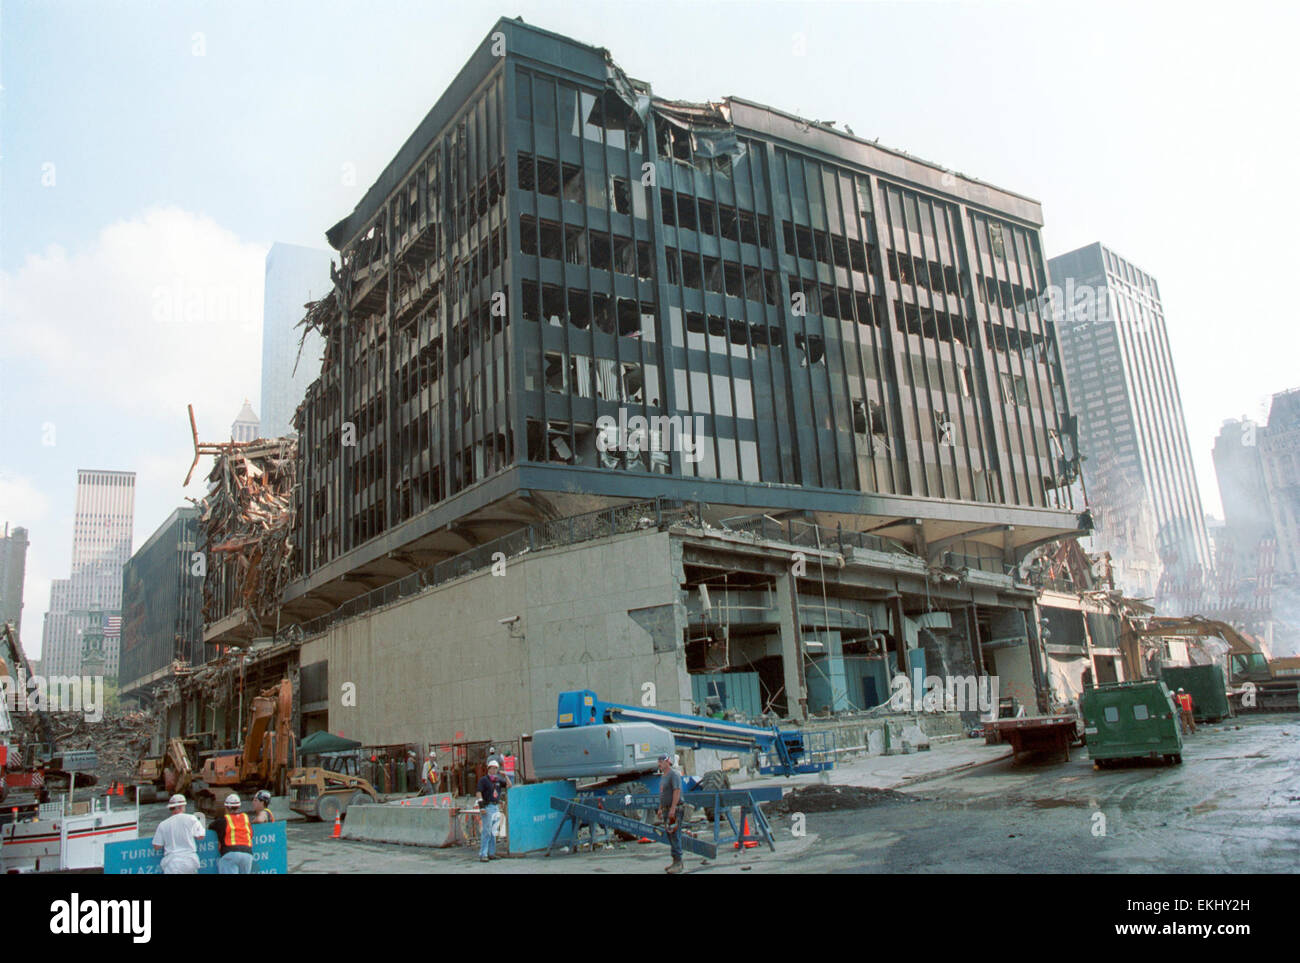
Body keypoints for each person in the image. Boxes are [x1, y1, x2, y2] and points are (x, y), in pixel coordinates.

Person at [152, 793, 205, 874]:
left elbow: (157, 846)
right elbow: (200, 836)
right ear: (182, 807)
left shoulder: (163, 824)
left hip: (172, 863)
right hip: (190, 860)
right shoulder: (191, 818)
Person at [209, 793, 254, 874]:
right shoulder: (246, 818)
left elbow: (210, 826)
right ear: (239, 806)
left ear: (226, 807)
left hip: (230, 853)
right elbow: (250, 834)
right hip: (247, 854)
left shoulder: (223, 820)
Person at [656, 754, 683, 874]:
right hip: (666, 809)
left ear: (667, 762)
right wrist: (660, 808)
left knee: (675, 835)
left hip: (675, 810)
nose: (659, 764)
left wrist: (673, 809)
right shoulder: (663, 777)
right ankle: (675, 861)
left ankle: (678, 863)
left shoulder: (674, 775)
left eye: (661, 762)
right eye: (658, 762)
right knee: (670, 836)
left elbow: (676, 791)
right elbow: (663, 794)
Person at [477, 759, 504, 862]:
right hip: (488, 807)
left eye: (496, 768)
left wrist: (505, 776)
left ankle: (491, 853)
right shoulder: (484, 780)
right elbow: (478, 792)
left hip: (496, 807)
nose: (494, 770)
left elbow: (509, 785)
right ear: (489, 769)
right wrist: (482, 806)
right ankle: (483, 854)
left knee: (493, 832)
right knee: (487, 831)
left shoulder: (498, 780)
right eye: (492, 768)